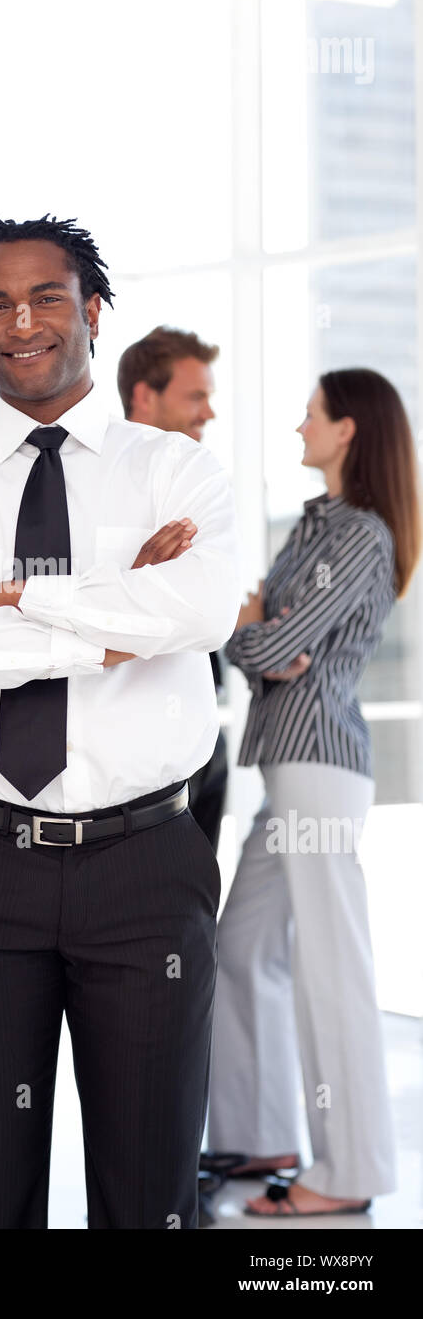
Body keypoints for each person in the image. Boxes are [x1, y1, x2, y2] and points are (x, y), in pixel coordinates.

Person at [0, 215, 241, 1229]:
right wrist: (111, 617)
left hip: (146, 865)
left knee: (151, 1189)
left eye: (45, 298)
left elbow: (199, 611)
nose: (20, 321)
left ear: (92, 313)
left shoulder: (177, 469)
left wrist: (5, 603)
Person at [205, 369, 421, 1218]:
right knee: (241, 947)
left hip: (320, 775)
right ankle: (261, 1134)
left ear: (349, 432)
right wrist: (258, 634)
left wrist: (253, 632)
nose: (299, 424)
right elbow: (260, 638)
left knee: (333, 969)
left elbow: (270, 637)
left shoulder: (362, 534)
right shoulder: (315, 526)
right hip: (288, 773)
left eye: (311, 414)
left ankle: (349, 1170)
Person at [118, 325, 227, 853]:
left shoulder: (198, 484)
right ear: (145, 395)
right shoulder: (97, 489)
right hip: (140, 758)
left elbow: (209, 605)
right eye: (196, 397)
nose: (208, 413)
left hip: (204, 728)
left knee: (196, 911)